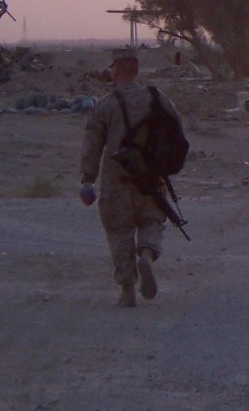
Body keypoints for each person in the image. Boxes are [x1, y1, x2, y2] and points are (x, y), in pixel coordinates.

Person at [79, 53, 185, 307]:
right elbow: (176, 130)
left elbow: (93, 145)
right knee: (152, 221)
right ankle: (146, 253)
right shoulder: (157, 97)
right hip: (151, 177)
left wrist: (87, 180)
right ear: (136, 71)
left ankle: (127, 289)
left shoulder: (105, 105)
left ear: (116, 71)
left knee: (119, 231)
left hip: (117, 180)